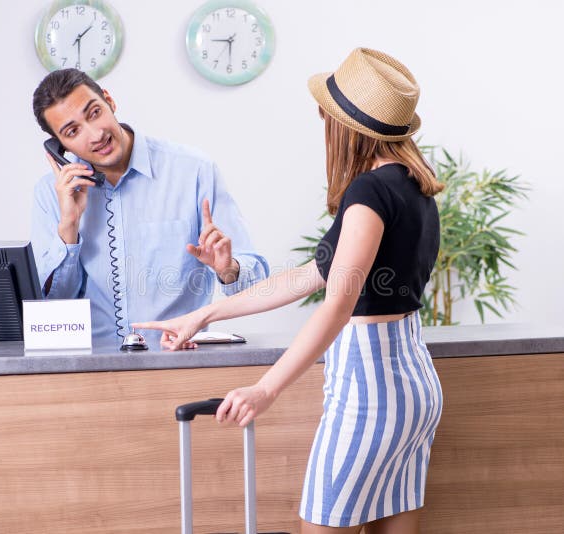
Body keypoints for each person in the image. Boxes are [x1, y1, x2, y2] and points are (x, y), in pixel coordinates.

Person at [134, 48, 445, 533]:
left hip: (370, 390)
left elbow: (338, 304)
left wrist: (265, 388)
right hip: (414, 385)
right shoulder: (413, 187)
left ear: (345, 126)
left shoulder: (369, 192)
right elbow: (310, 275)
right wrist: (203, 315)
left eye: (326, 117)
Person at [30, 69, 269, 347]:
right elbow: (50, 308)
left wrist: (228, 269)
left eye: (94, 113)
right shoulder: (51, 193)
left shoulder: (193, 171)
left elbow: (256, 285)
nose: (95, 135)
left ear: (109, 100)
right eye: (73, 131)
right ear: (59, 146)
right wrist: (69, 226)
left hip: (178, 359)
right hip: (91, 364)